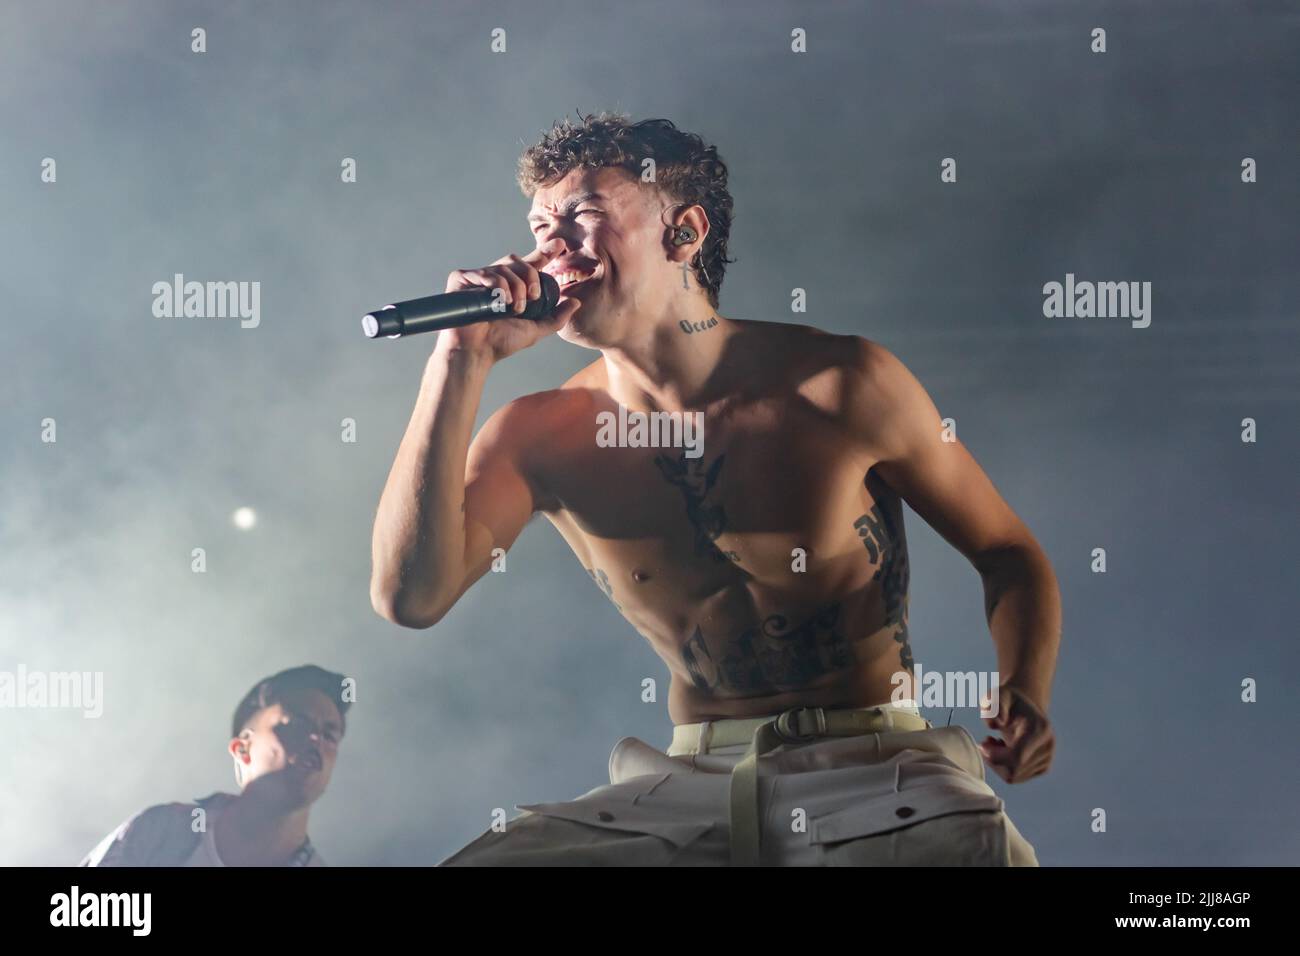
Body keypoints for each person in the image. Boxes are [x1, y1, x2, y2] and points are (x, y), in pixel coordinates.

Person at [370, 112, 1061, 866]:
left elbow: (1005, 551)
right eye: (540, 225)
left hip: (877, 772)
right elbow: (412, 598)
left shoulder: (841, 384)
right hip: (681, 786)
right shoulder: (537, 433)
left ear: (684, 232)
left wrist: (1025, 688)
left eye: (583, 216)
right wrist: (458, 363)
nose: (551, 247)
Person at [80, 665, 350, 867]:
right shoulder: (163, 831)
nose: (316, 739)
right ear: (242, 749)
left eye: (330, 734)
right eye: (298, 723)